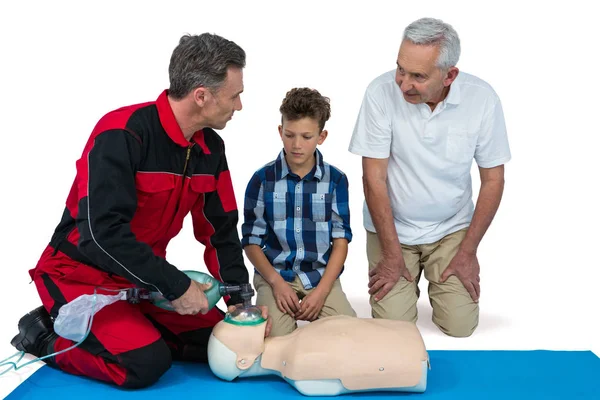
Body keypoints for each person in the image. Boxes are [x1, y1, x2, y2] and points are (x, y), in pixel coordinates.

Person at [10, 32, 270, 389]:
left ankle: (131, 330)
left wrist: (240, 302)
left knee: (218, 340)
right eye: (235, 94)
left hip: (142, 281)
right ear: (201, 96)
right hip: (79, 277)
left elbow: (220, 229)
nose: (239, 105)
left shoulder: (211, 148)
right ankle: (43, 336)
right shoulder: (121, 133)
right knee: (145, 364)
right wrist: (177, 286)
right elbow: (101, 236)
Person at [348, 17, 511, 337]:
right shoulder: (380, 92)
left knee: (461, 327)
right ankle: (405, 280)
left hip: (451, 231)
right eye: (400, 69)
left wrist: (468, 251)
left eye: (418, 76)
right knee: (393, 331)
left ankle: (439, 279)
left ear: (449, 75)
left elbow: (493, 180)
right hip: (391, 230)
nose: (404, 83)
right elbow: (373, 179)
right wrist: (392, 255)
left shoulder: (483, 99)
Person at [241, 88, 356, 337]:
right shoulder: (262, 180)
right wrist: (276, 283)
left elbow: (341, 241)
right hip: (275, 275)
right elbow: (251, 242)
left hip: (321, 275)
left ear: (321, 136)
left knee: (349, 335)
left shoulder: (336, 180)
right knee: (275, 341)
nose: (296, 145)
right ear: (280, 131)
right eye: (290, 135)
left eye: (306, 136)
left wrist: (323, 291)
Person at [207, 314, 429, 396]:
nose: (241, 319)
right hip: (413, 363)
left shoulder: (297, 343)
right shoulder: (298, 368)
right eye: (237, 326)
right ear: (242, 361)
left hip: (408, 346)